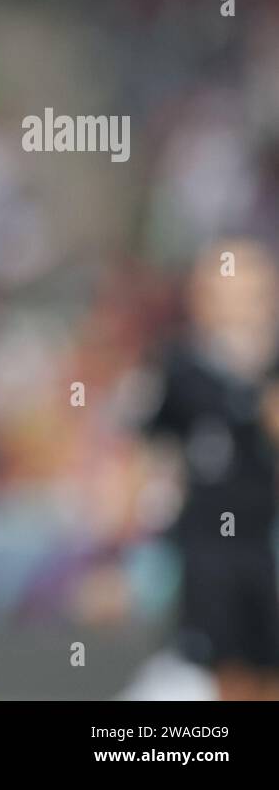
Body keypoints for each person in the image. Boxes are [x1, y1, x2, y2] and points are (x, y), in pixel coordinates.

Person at [139, 236, 279, 700]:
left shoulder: (268, 365)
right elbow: (152, 443)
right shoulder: (183, 368)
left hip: (263, 542)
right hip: (209, 550)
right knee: (227, 667)